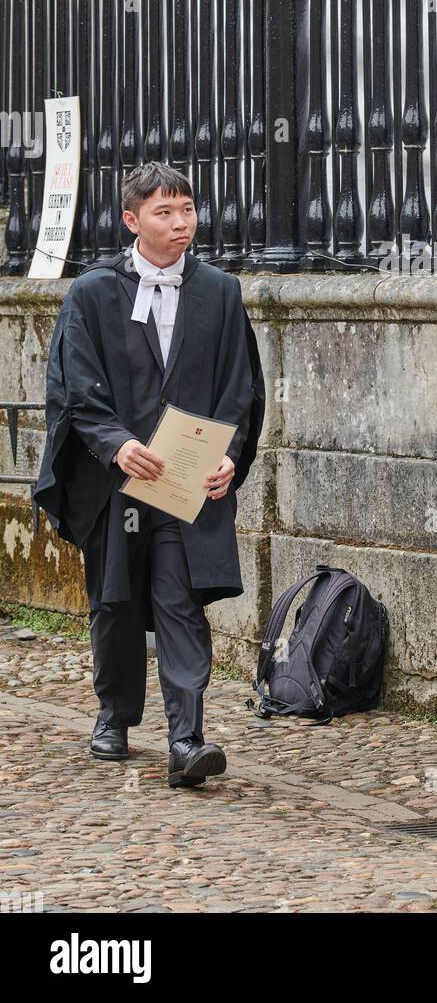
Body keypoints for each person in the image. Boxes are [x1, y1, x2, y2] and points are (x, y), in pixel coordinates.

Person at [33, 162, 265, 789]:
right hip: (117, 482)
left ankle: (187, 738)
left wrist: (230, 455)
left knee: (181, 599)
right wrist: (116, 444)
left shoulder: (220, 291)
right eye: (165, 212)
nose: (181, 222)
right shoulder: (92, 294)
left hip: (189, 480)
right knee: (115, 599)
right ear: (132, 220)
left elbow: (238, 388)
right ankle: (115, 712)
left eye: (188, 209)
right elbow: (74, 387)